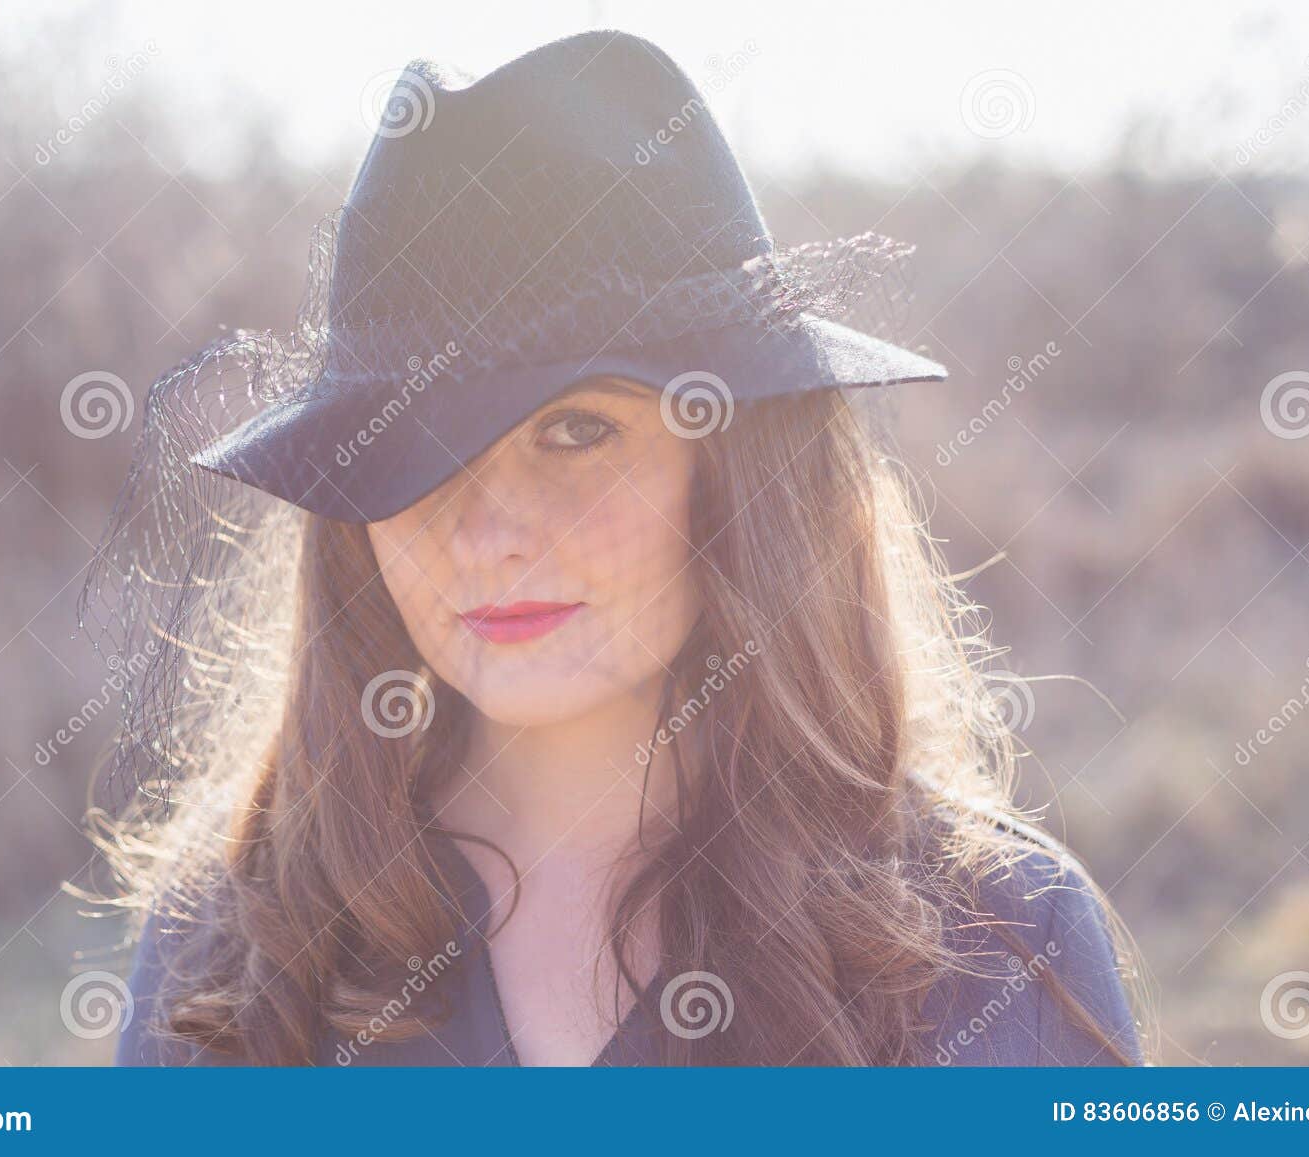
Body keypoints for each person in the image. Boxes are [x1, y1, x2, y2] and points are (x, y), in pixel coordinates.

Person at [84, 29, 1147, 1067]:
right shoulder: (232, 952)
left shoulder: (993, 944)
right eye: (416, 447)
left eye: (577, 430)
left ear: (744, 469)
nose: (490, 537)